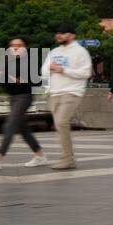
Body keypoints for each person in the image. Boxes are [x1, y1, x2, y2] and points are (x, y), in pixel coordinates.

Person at [0, 37, 50, 170]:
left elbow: (35, 82)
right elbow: (4, 82)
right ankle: (40, 155)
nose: (15, 47)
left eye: (19, 45)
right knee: (23, 129)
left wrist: (16, 79)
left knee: (10, 125)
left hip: (24, 97)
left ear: (26, 47)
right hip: (13, 98)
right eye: (12, 45)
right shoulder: (8, 61)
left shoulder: (31, 61)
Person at [40, 23, 93, 170]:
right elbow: (44, 70)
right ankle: (68, 157)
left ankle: (68, 159)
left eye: (62, 33)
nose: (58, 35)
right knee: (59, 125)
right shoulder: (55, 51)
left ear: (71, 35)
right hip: (55, 92)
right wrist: (49, 69)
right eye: (57, 33)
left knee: (62, 122)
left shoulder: (81, 52)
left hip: (72, 92)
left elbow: (86, 73)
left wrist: (63, 69)